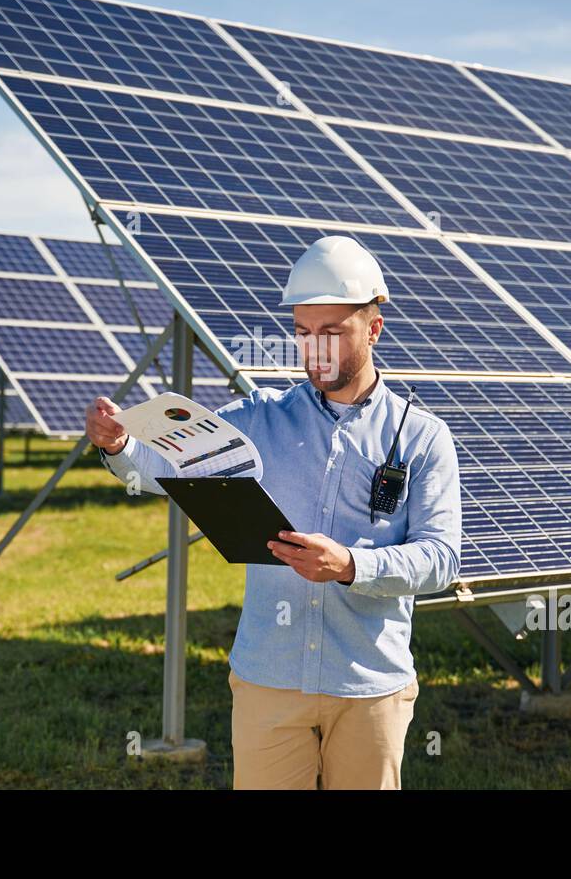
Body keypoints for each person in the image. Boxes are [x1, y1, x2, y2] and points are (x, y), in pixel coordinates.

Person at [84, 235, 462, 789]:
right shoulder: (258, 419)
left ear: (374, 328)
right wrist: (119, 447)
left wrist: (353, 565)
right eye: (304, 335)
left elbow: (441, 558)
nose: (316, 351)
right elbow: (167, 469)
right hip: (270, 681)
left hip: (369, 687)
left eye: (332, 334)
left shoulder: (423, 438)